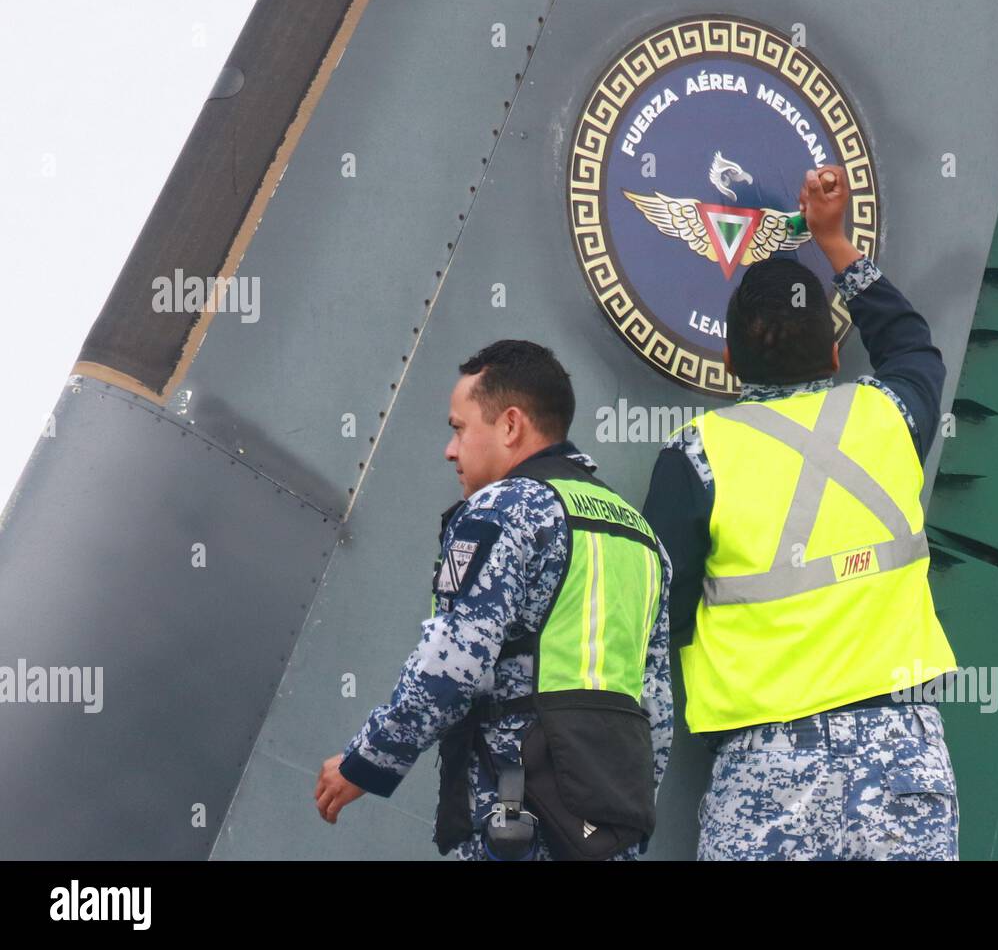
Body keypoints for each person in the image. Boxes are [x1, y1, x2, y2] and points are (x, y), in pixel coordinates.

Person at [642, 165, 960, 860]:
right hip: (900, 760)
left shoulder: (695, 457)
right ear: (838, 351)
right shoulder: (888, 414)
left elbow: (655, 623)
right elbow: (911, 344)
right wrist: (834, 242)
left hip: (765, 775)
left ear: (728, 360)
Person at [315, 339, 673, 860]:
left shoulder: (503, 508)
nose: (450, 449)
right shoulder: (642, 538)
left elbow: (453, 667)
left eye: (459, 428)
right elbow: (657, 708)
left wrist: (367, 760)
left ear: (510, 425)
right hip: (605, 834)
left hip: (515, 822)